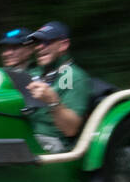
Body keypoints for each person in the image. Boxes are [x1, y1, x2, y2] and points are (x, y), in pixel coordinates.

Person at [25, 21, 91, 152]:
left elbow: (70, 129)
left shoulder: (73, 76)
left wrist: (52, 101)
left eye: (46, 42)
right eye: (37, 43)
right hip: (26, 134)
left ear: (63, 45)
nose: (39, 47)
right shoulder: (35, 72)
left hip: (51, 142)